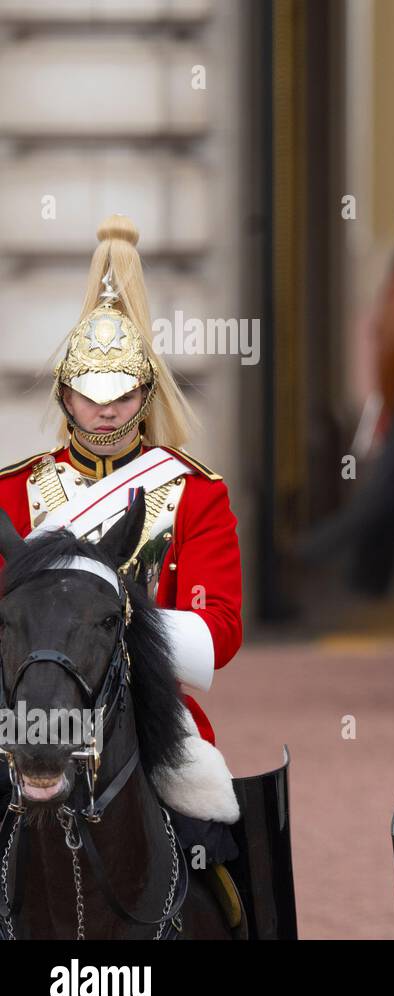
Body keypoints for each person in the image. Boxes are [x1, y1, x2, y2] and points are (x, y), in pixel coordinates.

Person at [0, 215, 243, 827]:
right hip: (25, 704)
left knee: (215, 821)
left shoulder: (192, 492)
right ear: (64, 394)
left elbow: (219, 630)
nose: (105, 410)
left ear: (146, 392)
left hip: (144, 704)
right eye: (89, 393)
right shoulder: (14, 489)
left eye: (122, 393)